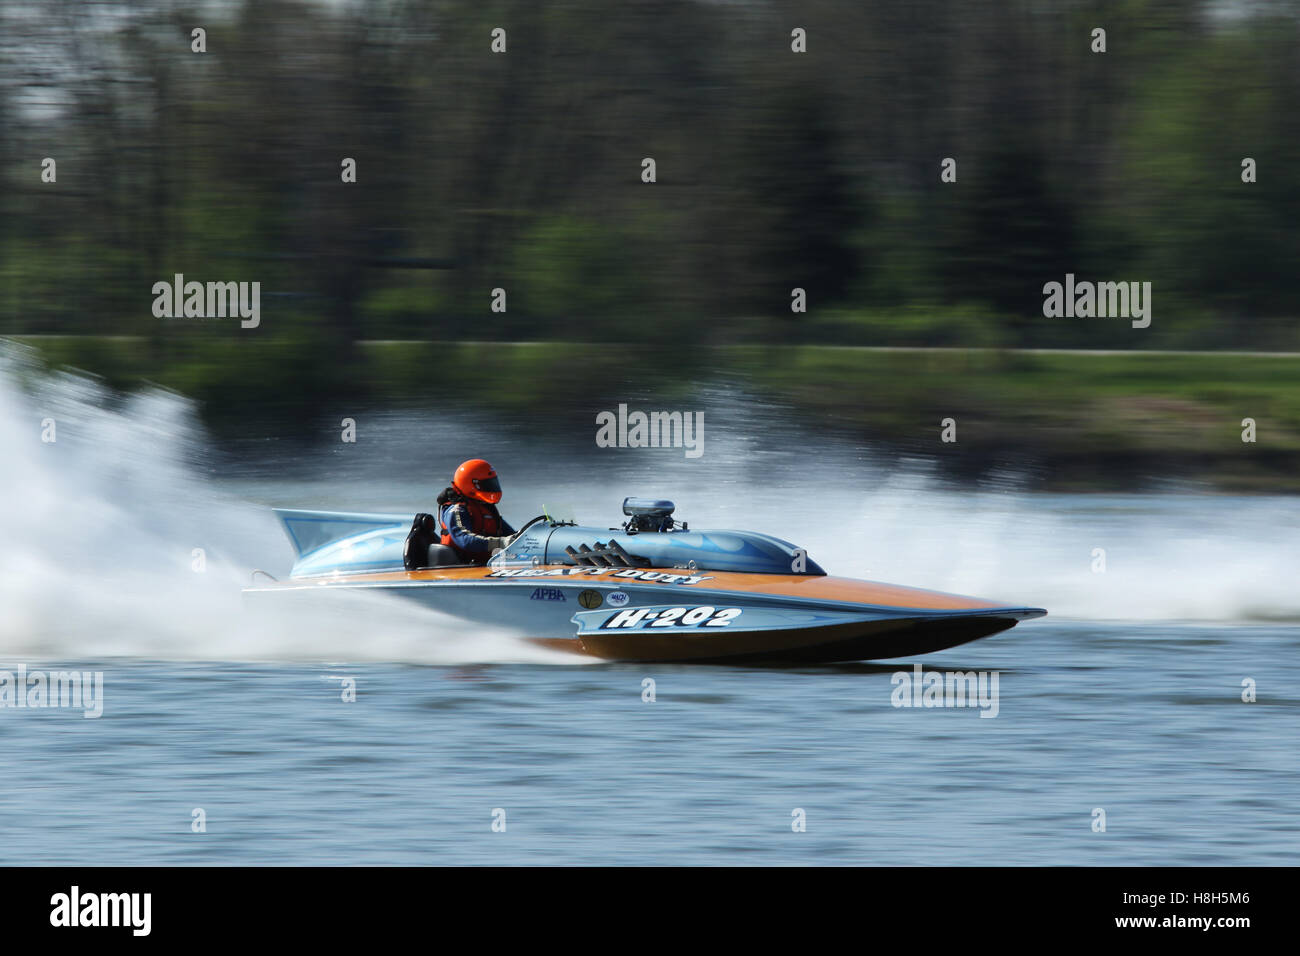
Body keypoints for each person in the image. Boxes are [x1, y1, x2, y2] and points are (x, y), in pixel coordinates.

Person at [436, 459, 516, 564]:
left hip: (486, 566)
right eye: (487, 484)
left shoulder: (487, 509)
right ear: (471, 485)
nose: (492, 487)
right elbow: (464, 539)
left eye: (493, 483)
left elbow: (513, 536)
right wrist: (501, 543)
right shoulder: (456, 510)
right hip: (459, 572)